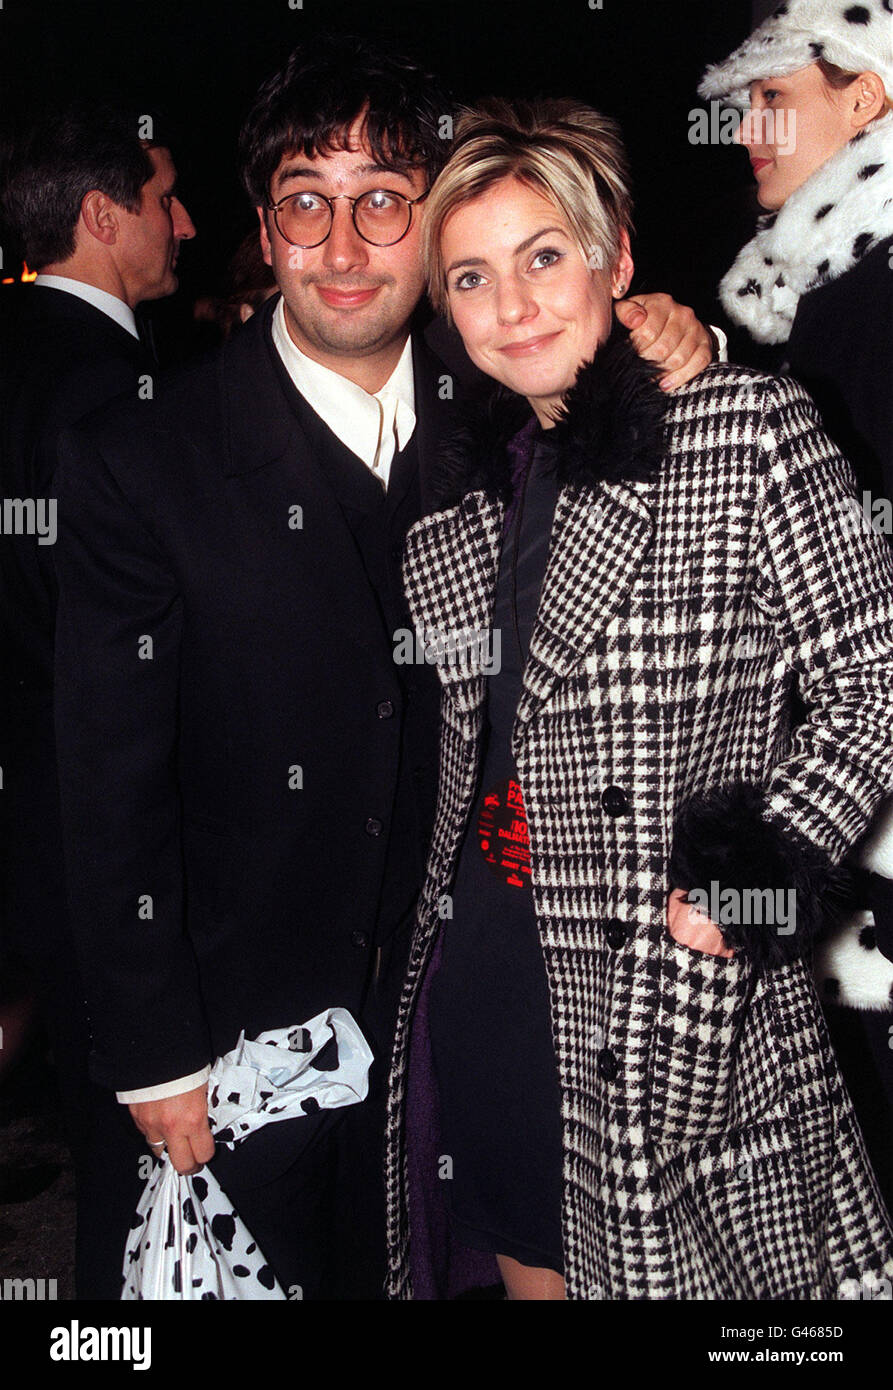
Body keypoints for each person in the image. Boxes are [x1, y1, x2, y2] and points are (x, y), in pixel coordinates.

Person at [51, 37, 720, 1300]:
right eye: (305, 201)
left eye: (384, 201)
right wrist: (151, 1048)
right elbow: (105, 779)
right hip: (234, 1044)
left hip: (452, 1027)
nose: (345, 244)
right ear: (263, 229)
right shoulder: (142, 456)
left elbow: (672, 472)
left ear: (435, 219)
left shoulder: (508, 407)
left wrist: (675, 340)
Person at [383, 97, 893, 1301]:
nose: (511, 306)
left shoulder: (742, 429)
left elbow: (874, 680)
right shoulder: (453, 517)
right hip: (492, 995)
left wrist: (742, 885)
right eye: (470, 278)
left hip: (673, 1005)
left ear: (613, 258)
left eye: (541, 257)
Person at [0, 98, 195, 1297]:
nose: (186, 223)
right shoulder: (111, 391)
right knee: (132, 1145)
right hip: (95, 815)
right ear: (101, 215)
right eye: (165, 197)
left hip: (26, 795)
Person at [701, 0, 893, 1216]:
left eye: (772, 97)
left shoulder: (866, 302)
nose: (742, 129)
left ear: (865, 96)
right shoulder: (832, 296)